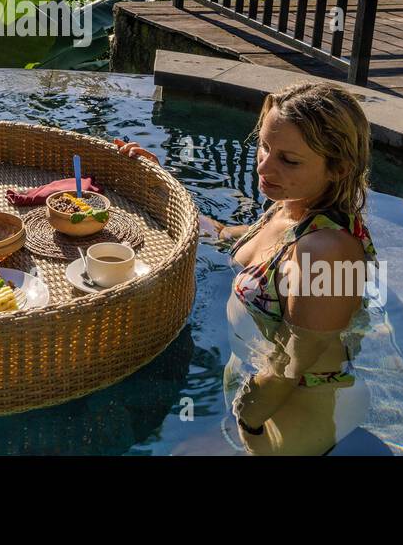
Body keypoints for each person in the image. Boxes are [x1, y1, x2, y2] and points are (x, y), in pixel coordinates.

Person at [116, 81, 377, 454]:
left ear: (339, 168)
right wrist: (160, 185)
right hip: (262, 387)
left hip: (300, 408)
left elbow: (294, 362)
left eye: (289, 159)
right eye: (265, 146)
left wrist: (247, 421)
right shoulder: (291, 209)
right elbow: (221, 234)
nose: (265, 167)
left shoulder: (326, 251)